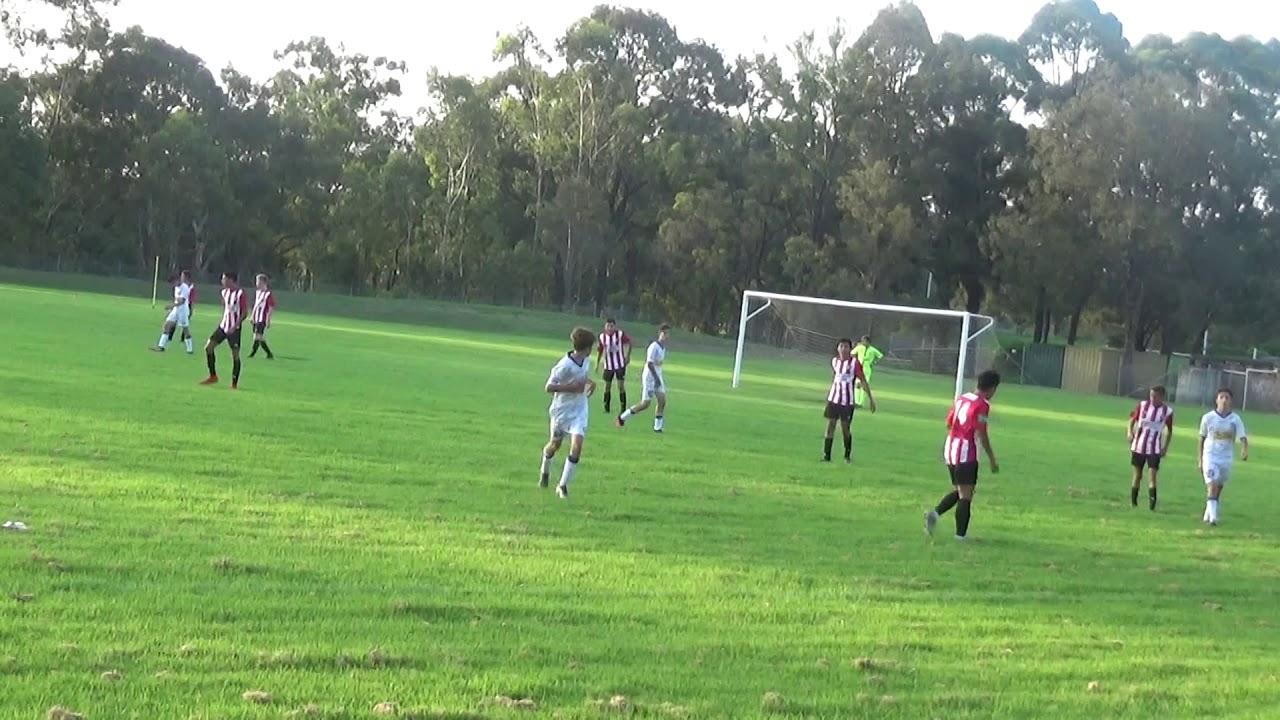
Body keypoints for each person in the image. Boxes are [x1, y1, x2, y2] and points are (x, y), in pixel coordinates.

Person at [925, 370, 1001, 541]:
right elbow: (982, 434)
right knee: (966, 494)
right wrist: (992, 459)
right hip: (966, 452)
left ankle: (935, 514)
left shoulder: (962, 398)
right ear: (992, 388)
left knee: (960, 490)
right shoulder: (983, 405)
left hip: (950, 448)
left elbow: (949, 422)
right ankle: (961, 536)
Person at [540, 327, 598, 499]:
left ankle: (562, 485)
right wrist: (571, 388)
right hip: (561, 411)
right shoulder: (563, 365)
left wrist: (590, 383)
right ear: (586, 348)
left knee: (577, 446)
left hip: (579, 410)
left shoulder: (586, 361)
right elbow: (549, 387)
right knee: (554, 445)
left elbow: (582, 378)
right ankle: (545, 469)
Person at [1198, 388, 1249, 526]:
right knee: (1212, 485)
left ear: (1231, 401)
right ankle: (1213, 518)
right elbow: (1201, 438)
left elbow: (1243, 437)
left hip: (1226, 458)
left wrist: (1244, 450)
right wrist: (1200, 458)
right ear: (1216, 400)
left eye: (1227, 397)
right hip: (1210, 456)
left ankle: (1208, 513)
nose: (1224, 400)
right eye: (1222, 397)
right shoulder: (1208, 418)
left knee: (1218, 487)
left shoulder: (1235, 419)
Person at [823, 338, 877, 462]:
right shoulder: (835, 361)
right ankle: (827, 456)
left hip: (847, 402)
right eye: (841, 346)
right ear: (838, 348)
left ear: (850, 349)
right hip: (833, 399)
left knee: (845, 428)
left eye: (846, 347)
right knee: (830, 426)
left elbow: (863, 381)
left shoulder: (854, 364)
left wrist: (871, 399)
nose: (843, 349)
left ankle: (847, 455)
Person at [1127, 385, 1173, 510]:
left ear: (1162, 397)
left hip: (1154, 448)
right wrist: (1129, 432)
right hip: (1139, 446)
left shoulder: (1167, 412)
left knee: (1152, 475)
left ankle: (1152, 506)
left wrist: (1165, 447)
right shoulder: (1143, 406)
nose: (1152, 398)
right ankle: (1133, 502)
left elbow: (1169, 431)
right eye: (1151, 395)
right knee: (1137, 475)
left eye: (1155, 396)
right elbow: (1132, 420)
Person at [617, 324, 669, 432]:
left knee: (662, 401)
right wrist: (656, 379)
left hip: (657, 376)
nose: (666, 336)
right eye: (664, 333)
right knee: (645, 404)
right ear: (659, 333)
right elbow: (649, 363)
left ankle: (657, 427)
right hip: (650, 377)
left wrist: (658, 378)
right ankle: (622, 418)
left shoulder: (662, 348)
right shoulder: (654, 346)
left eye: (667, 334)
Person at [201, 272, 248, 389]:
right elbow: (225, 308)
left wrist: (235, 325)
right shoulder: (224, 292)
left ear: (231, 280)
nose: (222, 281)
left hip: (234, 329)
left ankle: (234, 384)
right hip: (223, 326)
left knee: (235, 355)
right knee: (208, 347)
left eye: (224, 279)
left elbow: (245, 312)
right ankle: (213, 376)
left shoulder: (240, 293)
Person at [152, 270, 195, 354]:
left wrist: (172, 306)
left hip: (183, 311)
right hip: (176, 310)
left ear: (177, 280)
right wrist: (173, 308)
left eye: (174, 282)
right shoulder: (176, 288)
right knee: (167, 325)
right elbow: (177, 300)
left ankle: (190, 349)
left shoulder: (185, 287)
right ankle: (161, 346)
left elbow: (182, 301)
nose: (173, 284)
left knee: (185, 329)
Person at [596, 318, 632, 413]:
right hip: (608, 366)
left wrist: (627, 356)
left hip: (619, 364)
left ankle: (623, 408)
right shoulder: (602, 337)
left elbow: (629, 342)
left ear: (615, 327)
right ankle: (606, 407)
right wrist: (598, 363)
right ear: (605, 327)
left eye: (611, 326)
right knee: (607, 386)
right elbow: (600, 350)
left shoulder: (620, 334)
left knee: (621, 386)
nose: (610, 328)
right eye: (608, 326)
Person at [248, 273, 277, 360]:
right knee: (258, 337)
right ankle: (269, 354)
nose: (256, 283)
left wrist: (268, 319)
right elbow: (256, 305)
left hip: (262, 318)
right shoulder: (257, 293)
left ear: (263, 282)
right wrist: (252, 316)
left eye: (258, 282)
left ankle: (253, 354)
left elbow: (271, 307)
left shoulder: (268, 294)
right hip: (256, 318)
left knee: (257, 336)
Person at [852, 335, 883, 408]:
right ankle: (856, 402)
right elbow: (852, 353)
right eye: (862, 341)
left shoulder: (872, 350)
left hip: (867, 368)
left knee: (864, 385)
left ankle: (861, 403)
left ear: (868, 342)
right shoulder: (859, 347)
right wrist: (855, 360)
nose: (863, 342)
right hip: (859, 368)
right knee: (857, 385)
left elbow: (880, 356)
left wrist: (874, 362)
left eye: (865, 341)